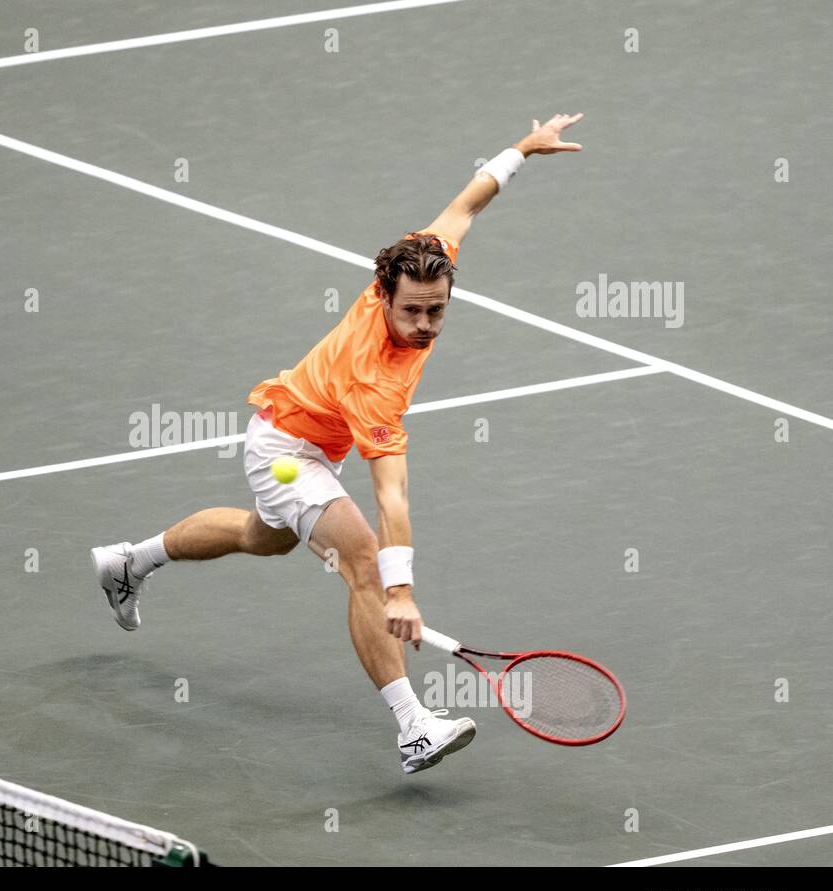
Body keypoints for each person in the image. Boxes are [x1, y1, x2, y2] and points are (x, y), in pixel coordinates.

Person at [93, 114, 585, 774]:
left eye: (437, 309)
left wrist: (521, 149)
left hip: (306, 441)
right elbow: (392, 491)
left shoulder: (422, 260)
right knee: (364, 563)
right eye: (411, 310)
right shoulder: (372, 378)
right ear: (382, 294)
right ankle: (414, 727)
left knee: (260, 536)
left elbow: (467, 204)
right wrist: (401, 589)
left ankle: (130, 561)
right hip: (285, 455)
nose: (424, 324)